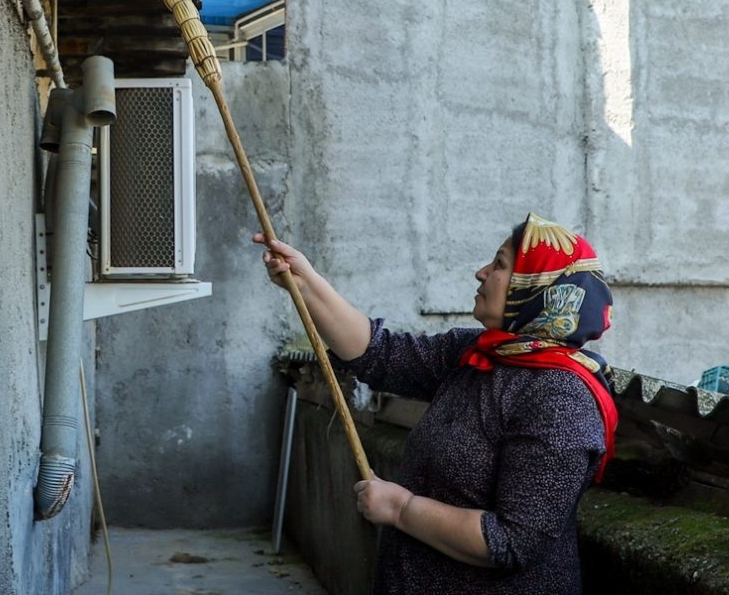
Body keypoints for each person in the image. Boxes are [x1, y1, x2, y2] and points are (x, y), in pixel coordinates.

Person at [253, 213, 618, 595]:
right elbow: (379, 355)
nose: (481, 273)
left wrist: (402, 509)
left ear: (536, 288)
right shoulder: (477, 354)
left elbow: (513, 541)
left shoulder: (561, 399)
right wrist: (305, 282)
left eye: (499, 265)